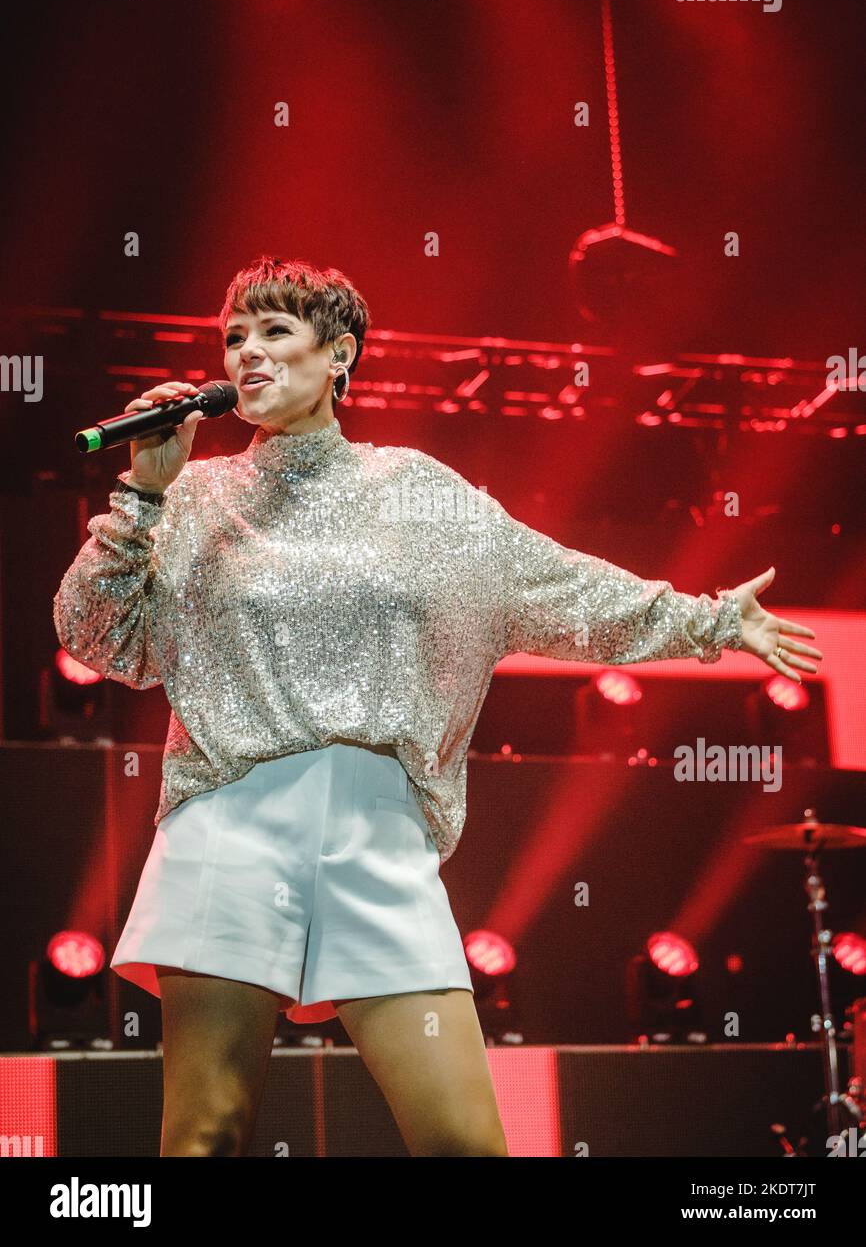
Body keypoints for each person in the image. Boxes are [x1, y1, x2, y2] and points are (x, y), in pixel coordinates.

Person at [53, 255, 823, 1157]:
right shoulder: (195, 497)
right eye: (233, 339)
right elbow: (90, 632)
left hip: (380, 837)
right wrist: (144, 490)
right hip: (230, 822)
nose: (246, 356)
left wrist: (712, 620)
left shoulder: (419, 493)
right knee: (205, 1136)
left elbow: (563, 586)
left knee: (464, 1142)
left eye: (274, 333)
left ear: (340, 354)